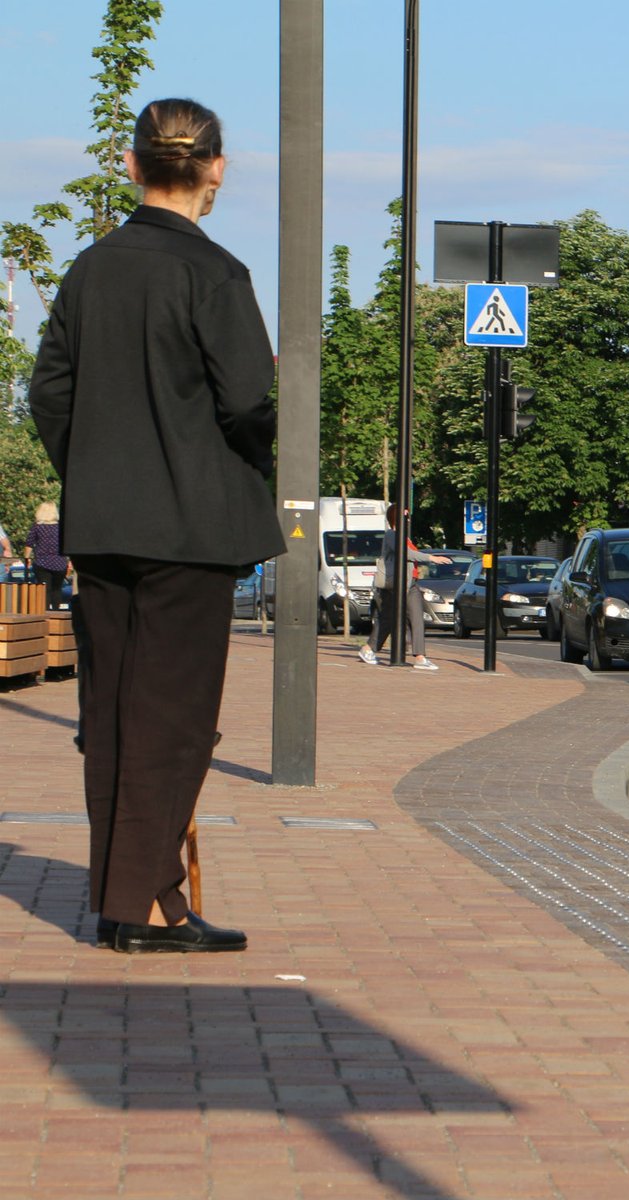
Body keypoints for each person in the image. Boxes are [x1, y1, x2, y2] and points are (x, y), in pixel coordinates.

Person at [28, 98, 283, 954]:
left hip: (103, 526)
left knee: (111, 711)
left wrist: (96, 470)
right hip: (191, 529)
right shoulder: (218, 276)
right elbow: (249, 401)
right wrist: (233, 465)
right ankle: (133, 909)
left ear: (132, 166)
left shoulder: (89, 271)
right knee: (173, 718)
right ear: (215, 169)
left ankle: (143, 895)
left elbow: (49, 395)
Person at [360, 504, 449, 669]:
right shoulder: (391, 535)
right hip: (395, 584)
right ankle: (368, 648)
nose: (407, 519)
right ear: (396, 517)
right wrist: (431, 558)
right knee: (388, 618)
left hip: (409, 583)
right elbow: (405, 553)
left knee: (415, 618)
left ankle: (420, 657)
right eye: (404, 516)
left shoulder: (402, 536)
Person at [24, 501, 71, 609]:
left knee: (45, 590)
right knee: (57, 589)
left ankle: (44, 614)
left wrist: (27, 558)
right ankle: (56, 614)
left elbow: (29, 544)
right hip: (60, 563)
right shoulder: (61, 527)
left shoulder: (37, 527)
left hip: (42, 563)